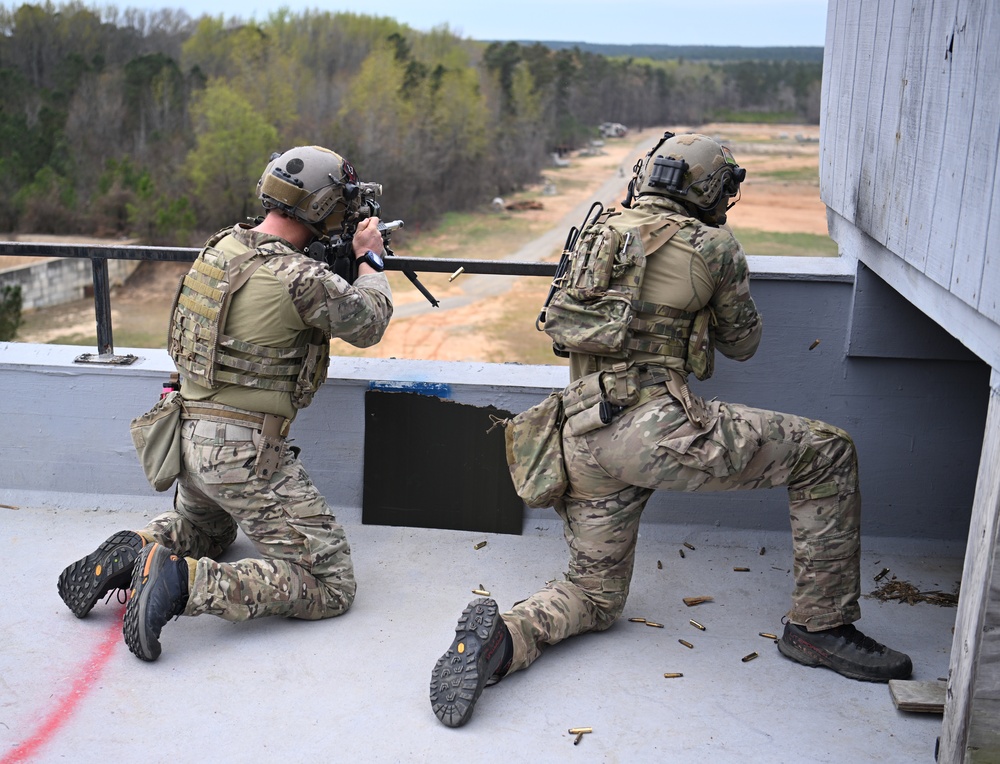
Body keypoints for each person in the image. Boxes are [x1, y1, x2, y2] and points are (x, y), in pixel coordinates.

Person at [429, 132, 912, 727]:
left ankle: (499, 645)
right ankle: (820, 628)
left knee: (594, 597)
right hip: (656, 434)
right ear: (710, 190)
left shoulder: (596, 230)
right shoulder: (713, 247)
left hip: (578, 435)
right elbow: (744, 343)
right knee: (829, 453)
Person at [57, 145, 393, 661]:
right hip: (243, 456)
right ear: (324, 206)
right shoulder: (300, 278)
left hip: (188, 439)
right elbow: (368, 321)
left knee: (207, 530)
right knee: (329, 582)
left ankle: (133, 550)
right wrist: (369, 262)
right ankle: (181, 582)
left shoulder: (220, 249)